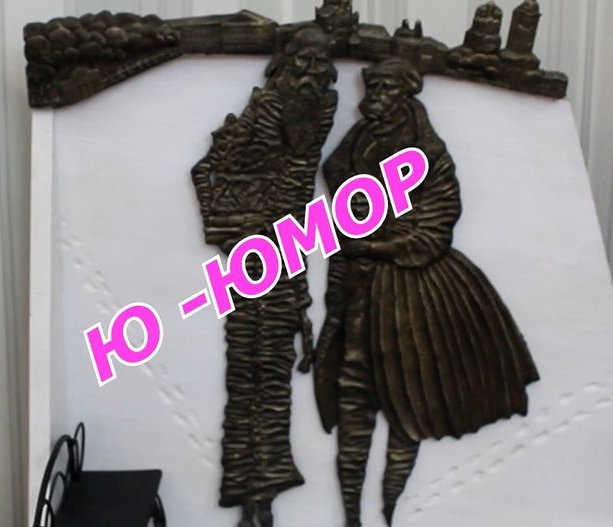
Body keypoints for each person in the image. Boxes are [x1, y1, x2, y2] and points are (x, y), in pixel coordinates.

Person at [311, 57, 540, 526]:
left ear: (404, 95)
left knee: (407, 405)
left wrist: (373, 243)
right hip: (355, 294)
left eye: (384, 90)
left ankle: (391, 511)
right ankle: (350, 516)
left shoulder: (429, 156)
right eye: (371, 89)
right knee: (353, 399)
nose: (373, 98)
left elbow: (434, 230)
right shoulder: (357, 143)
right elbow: (337, 188)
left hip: (408, 296)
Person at [191, 26, 338, 527]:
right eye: (303, 62)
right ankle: (250, 490)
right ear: (285, 64)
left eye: (319, 64)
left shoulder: (317, 111)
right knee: (250, 369)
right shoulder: (269, 110)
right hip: (253, 255)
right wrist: (226, 229)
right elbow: (205, 171)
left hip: (282, 254)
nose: (311, 73)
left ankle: (263, 490)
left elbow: (296, 187)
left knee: (271, 372)